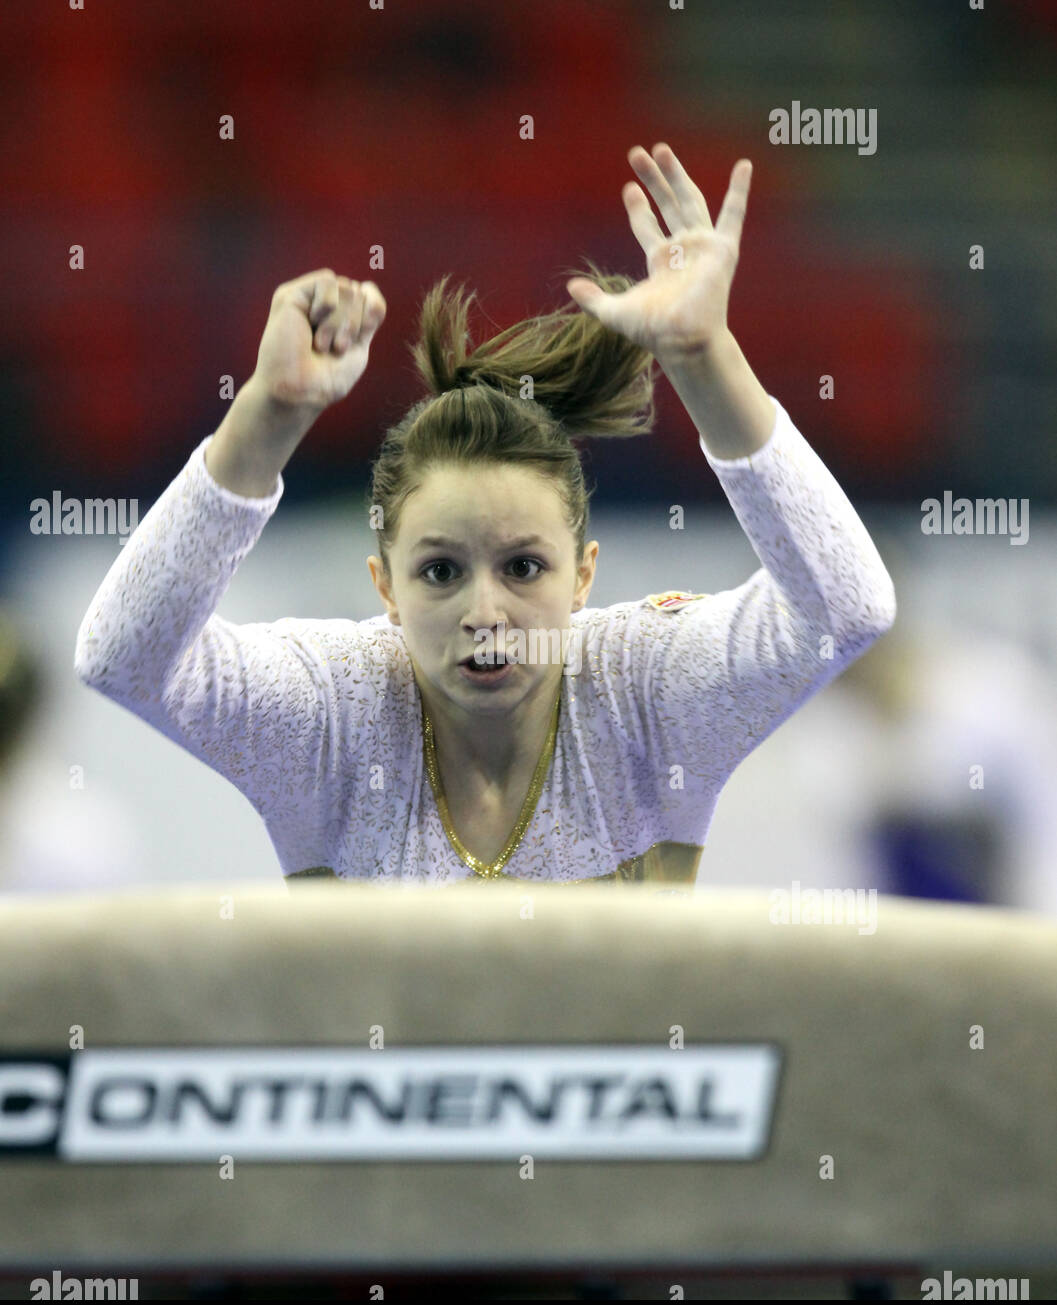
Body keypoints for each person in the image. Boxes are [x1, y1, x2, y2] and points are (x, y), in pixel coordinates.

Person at [74, 143, 896, 888]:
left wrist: (703, 356)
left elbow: (846, 609)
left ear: (584, 576)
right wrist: (268, 413)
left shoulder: (644, 689)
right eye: (438, 572)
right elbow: (121, 658)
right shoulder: (333, 714)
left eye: (523, 566)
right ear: (384, 589)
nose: (483, 612)